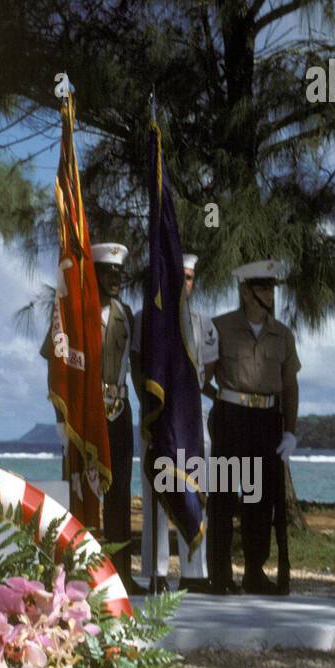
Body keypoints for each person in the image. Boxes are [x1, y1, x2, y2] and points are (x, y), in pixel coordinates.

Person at [204, 260, 300, 596]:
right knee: (223, 498)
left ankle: (254, 573)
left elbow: (290, 387)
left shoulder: (282, 335)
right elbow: (203, 376)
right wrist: (224, 399)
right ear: (245, 292)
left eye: (271, 288)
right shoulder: (220, 327)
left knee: (259, 501)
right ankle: (219, 574)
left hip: (266, 423)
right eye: (261, 288)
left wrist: (290, 431)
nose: (269, 294)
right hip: (231, 418)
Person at [131, 253, 216, 592]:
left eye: (191, 278)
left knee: (194, 491)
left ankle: (195, 574)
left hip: (191, 419)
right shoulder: (144, 320)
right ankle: (157, 572)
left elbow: (206, 371)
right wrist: (151, 407)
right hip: (156, 417)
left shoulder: (203, 325)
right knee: (155, 494)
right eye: (181, 276)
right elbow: (137, 367)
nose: (186, 283)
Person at [91, 242, 138, 590]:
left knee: (121, 494)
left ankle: (121, 575)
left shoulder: (127, 314)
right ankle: (88, 577)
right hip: (88, 411)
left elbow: (134, 366)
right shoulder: (77, 311)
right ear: (93, 274)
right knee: (89, 492)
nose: (115, 279)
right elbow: (58, 363)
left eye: (119, 273)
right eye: (108, 272)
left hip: (120, 408)